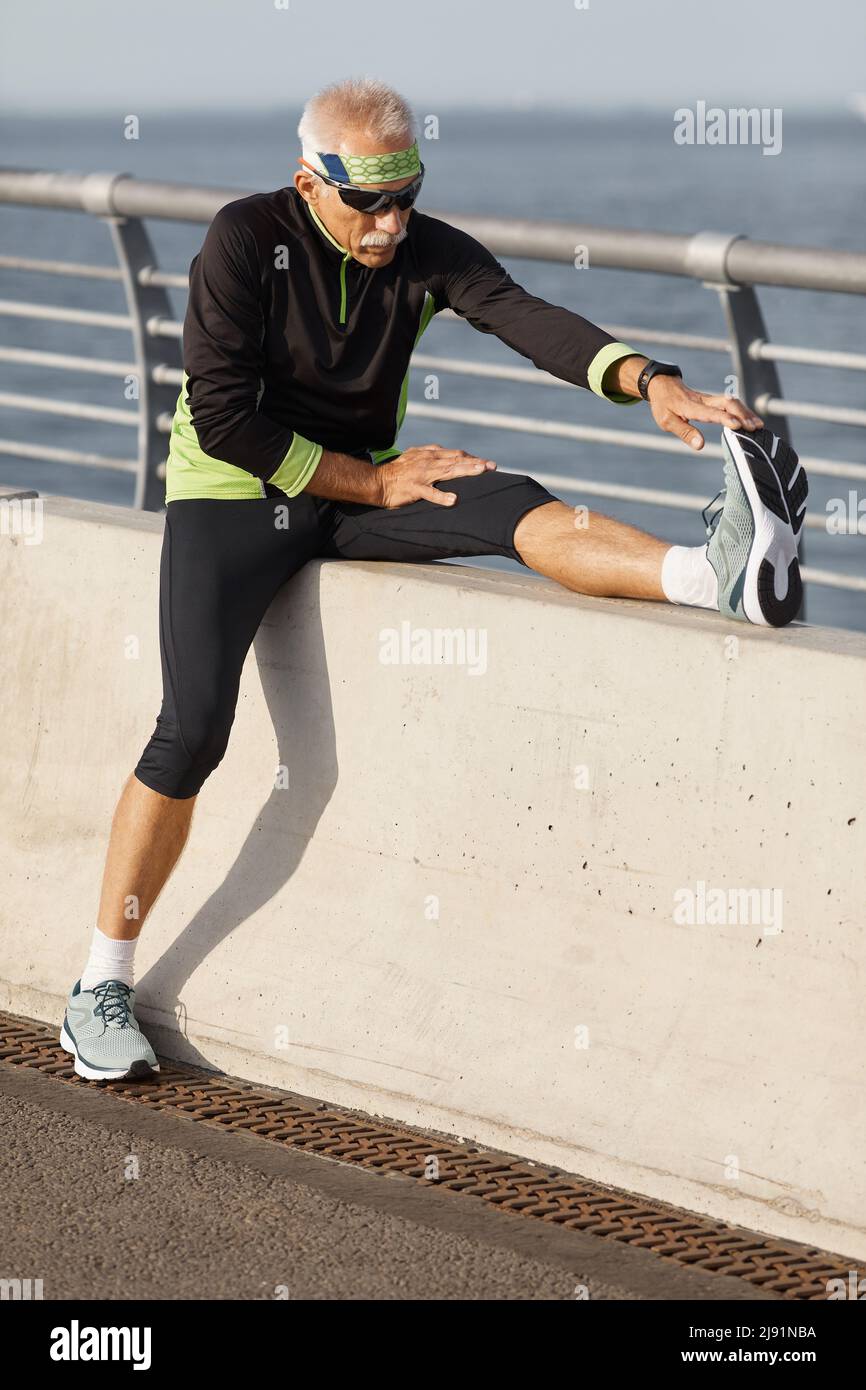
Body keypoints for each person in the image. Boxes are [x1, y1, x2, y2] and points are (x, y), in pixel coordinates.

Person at [60, 78, 808, 1081]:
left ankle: (706, 576)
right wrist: (368, 478)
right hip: (234, 496)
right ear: (307, 182)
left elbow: (521, 314)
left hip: (363, 487)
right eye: (366, 200)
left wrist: (650, 382)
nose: (389, 221)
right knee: (192, 726)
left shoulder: (421, 249)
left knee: (507, 499)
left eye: (405, 194)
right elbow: (228, 418)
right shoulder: (243, 239)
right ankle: (100, 984)